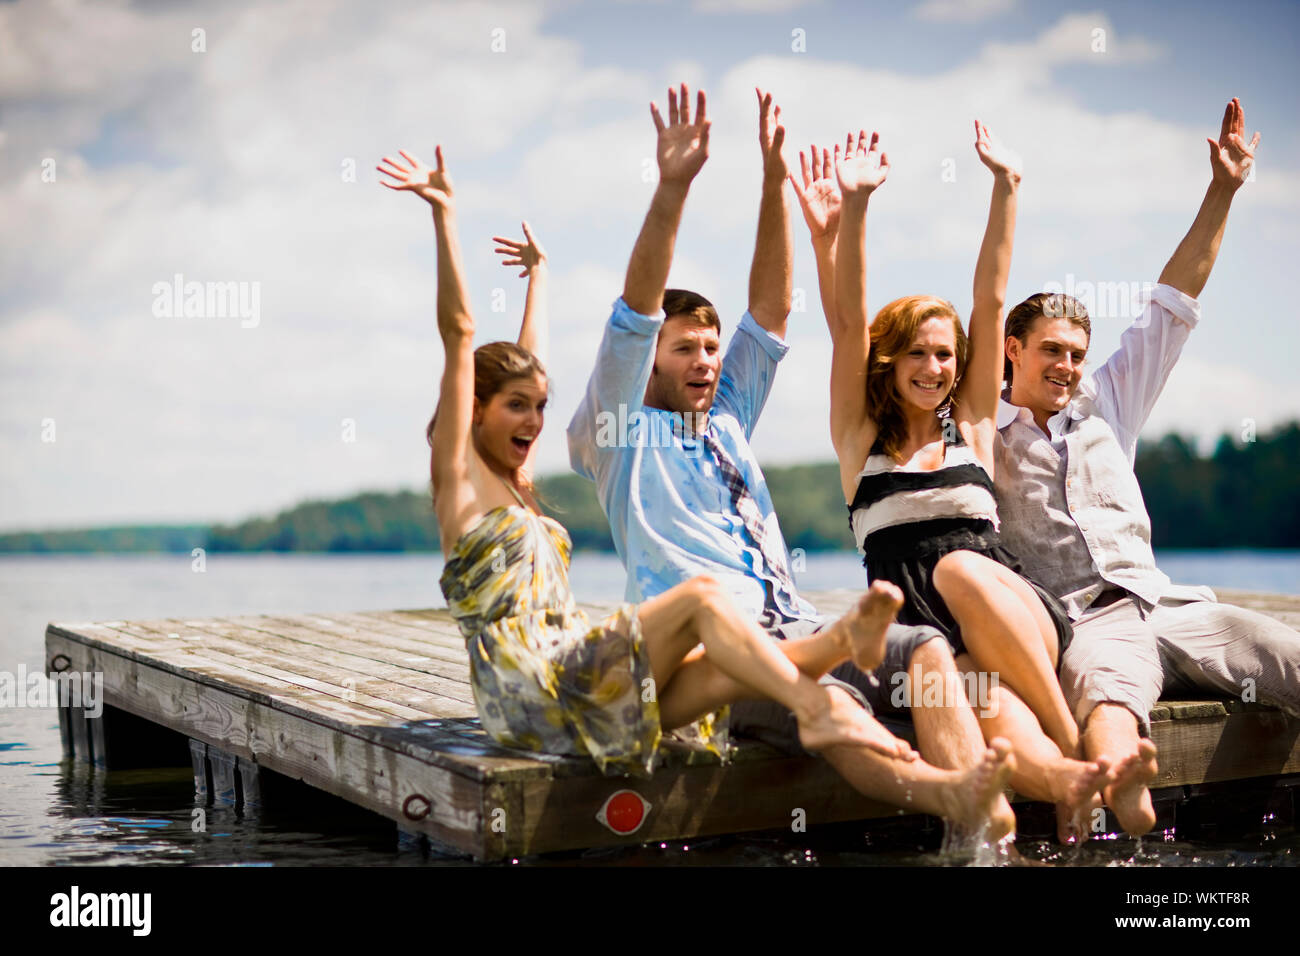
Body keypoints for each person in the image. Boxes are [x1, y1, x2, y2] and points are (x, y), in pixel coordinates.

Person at [377, 141, 920, 780]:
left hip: (594, 667)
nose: (534, 421)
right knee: (729, 620)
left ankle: (956, 794)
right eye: (514, 408)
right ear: (470, 409)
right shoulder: (488, 473)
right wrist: (444, 216)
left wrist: (541, 278)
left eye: (539, 407)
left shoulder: (519, 480)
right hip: (537, 692)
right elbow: (461, 334)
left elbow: (529, 370)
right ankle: (827, 678)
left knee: (917, 674)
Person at [567, 84, 1017, 837]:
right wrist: (673, 188)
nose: (708, 361)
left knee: (925, 651)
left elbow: (771, 312)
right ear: (647, 363)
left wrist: (774, 179)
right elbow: (634, 313)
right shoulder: (617, 430)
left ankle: (979, 826)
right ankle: (956, 803)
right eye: (687, 350)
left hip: (801, 623)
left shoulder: (728, 419)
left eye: (712, 348)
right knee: (834, 707)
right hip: (724, 658)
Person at [794, 122, 1115, 842]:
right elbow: (848, 325)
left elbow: (992, 297)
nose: (934, 368)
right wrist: (856, 208)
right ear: (890, 359)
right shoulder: (859, 442)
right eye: (917, 352)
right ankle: (1051, 798)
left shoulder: (967, 424)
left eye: (945, 355)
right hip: (924, 632)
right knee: (984, 703)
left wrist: (1005, 188)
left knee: (963, 567)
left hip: (1009, 606)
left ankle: (1071, 743)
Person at [995, 97, 1300, 836]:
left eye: (1076, 351)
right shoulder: (980, 432)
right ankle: (1123, 787)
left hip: (1170, 606)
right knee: (1107, 694)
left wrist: (1224, 188)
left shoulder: (1110, 401)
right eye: (1051, 351)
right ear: (1012, 349)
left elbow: (1175, 299)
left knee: (1284, 651)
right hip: (1086, 620)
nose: (1067, 366)